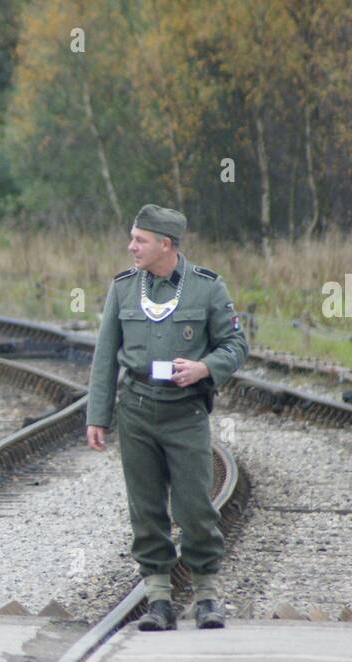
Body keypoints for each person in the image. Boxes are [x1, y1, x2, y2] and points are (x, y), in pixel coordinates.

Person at [86, 204, 248, 630]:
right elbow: (105, 357)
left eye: (140, 240)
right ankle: (158, 598)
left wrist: (205, 368)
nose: (131, 246)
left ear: (166, 244)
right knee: (146, 508)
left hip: (185, 411)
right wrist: (97, 416)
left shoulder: (207, 288)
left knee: (194, 506)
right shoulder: (123, 288)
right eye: (132, 238)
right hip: (136, 408)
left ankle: (207, 595)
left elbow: (235, 345)